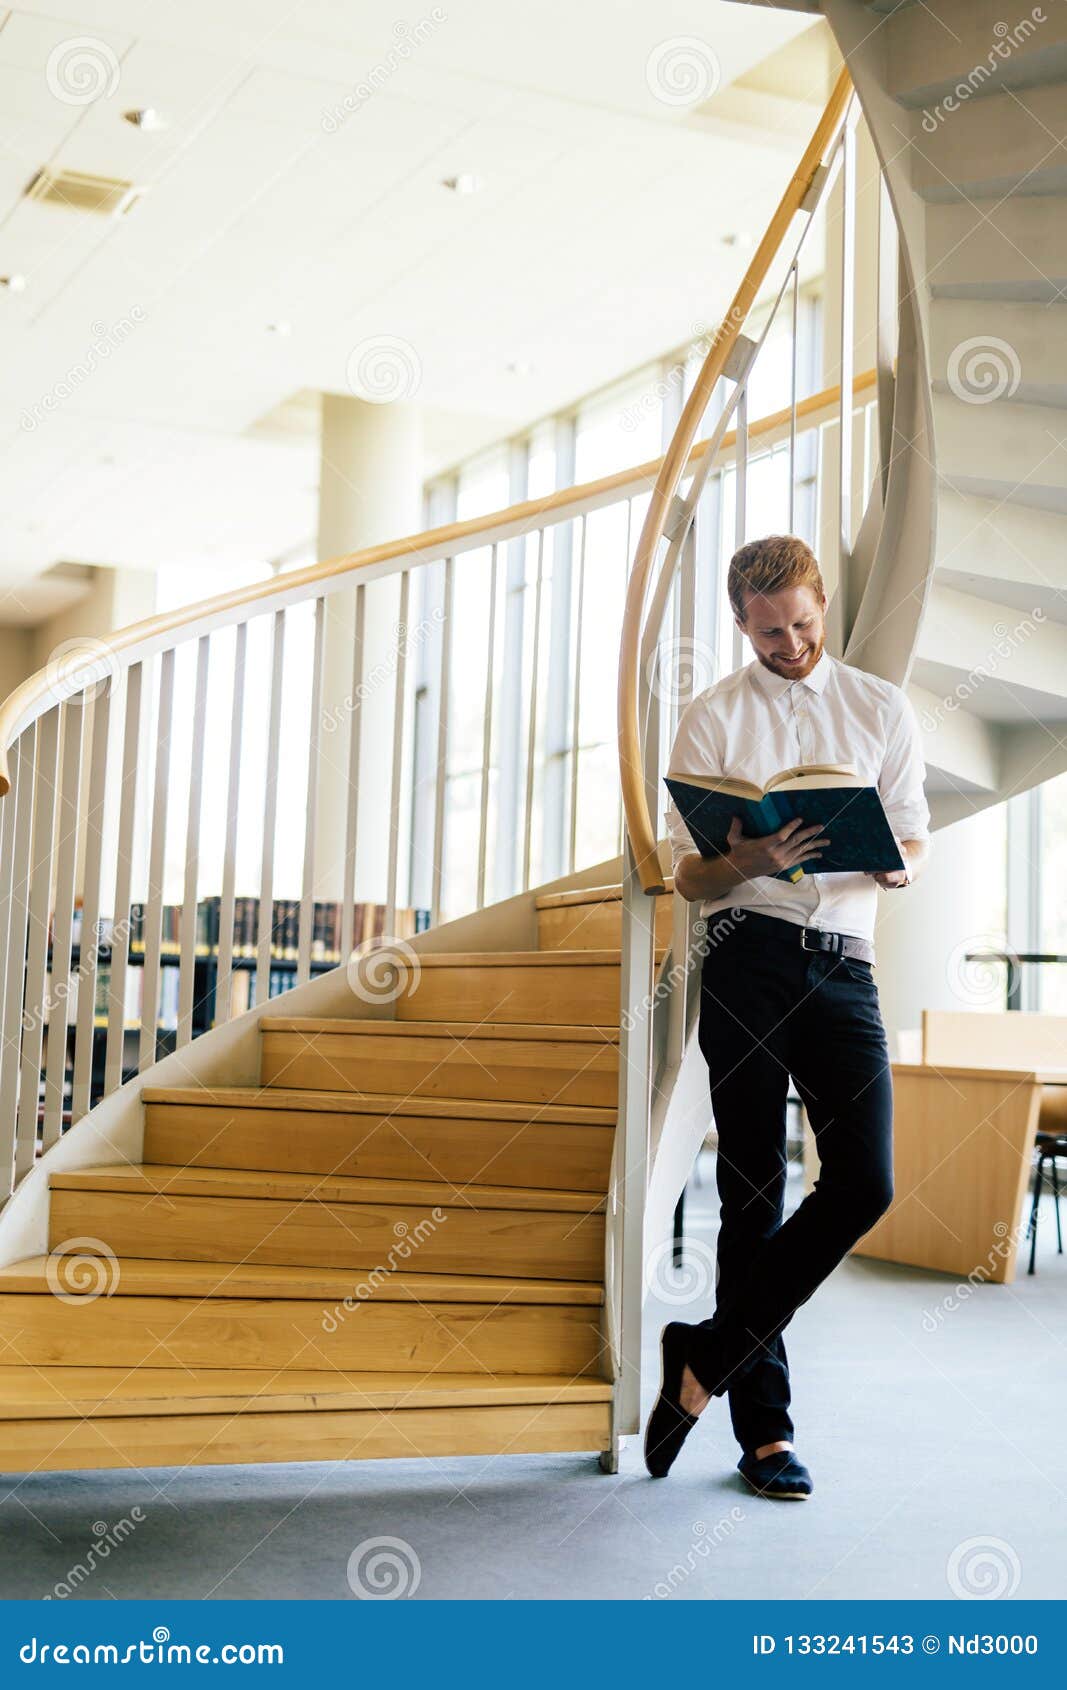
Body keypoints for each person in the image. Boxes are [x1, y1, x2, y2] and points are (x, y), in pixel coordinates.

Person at [644, 534, 931, 1500]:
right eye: (769, 632)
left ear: (821, 606)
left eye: (803, 625)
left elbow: (914, 833)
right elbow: (687, 879)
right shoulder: (713, 717)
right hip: (748, 957)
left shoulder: (878, 707)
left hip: (846, 962)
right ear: (741, 623)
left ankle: (702, 1355)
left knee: (864, 1181)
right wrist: (747, 865)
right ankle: (763, 1437)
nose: (790, 643)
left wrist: (897, 861)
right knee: (752, 1190)